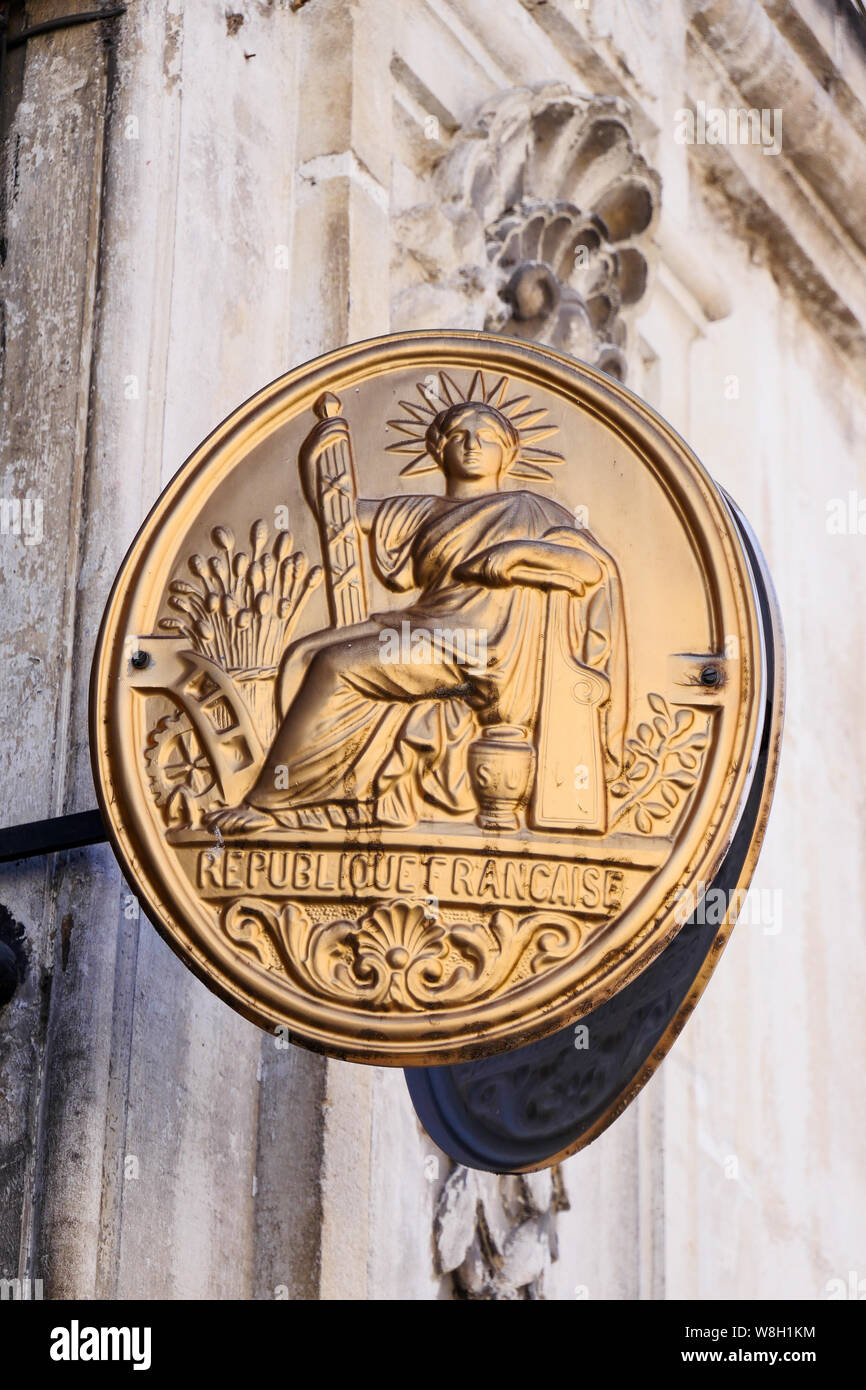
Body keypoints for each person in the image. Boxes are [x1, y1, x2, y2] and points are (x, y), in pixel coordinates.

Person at [207, 399, 626, 832]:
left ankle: (274, 803)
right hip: (427, 627)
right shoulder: (419, 511)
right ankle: (342, 800)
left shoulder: (529, 509)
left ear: (509, 452)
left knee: (336, 665)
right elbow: (340, 514)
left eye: (487, 438)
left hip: (483, 647)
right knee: (306, 653)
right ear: (438, 448)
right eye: (460, 436)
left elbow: (590, 568)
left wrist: (516, 552)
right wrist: (323, 449)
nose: (472, 446)